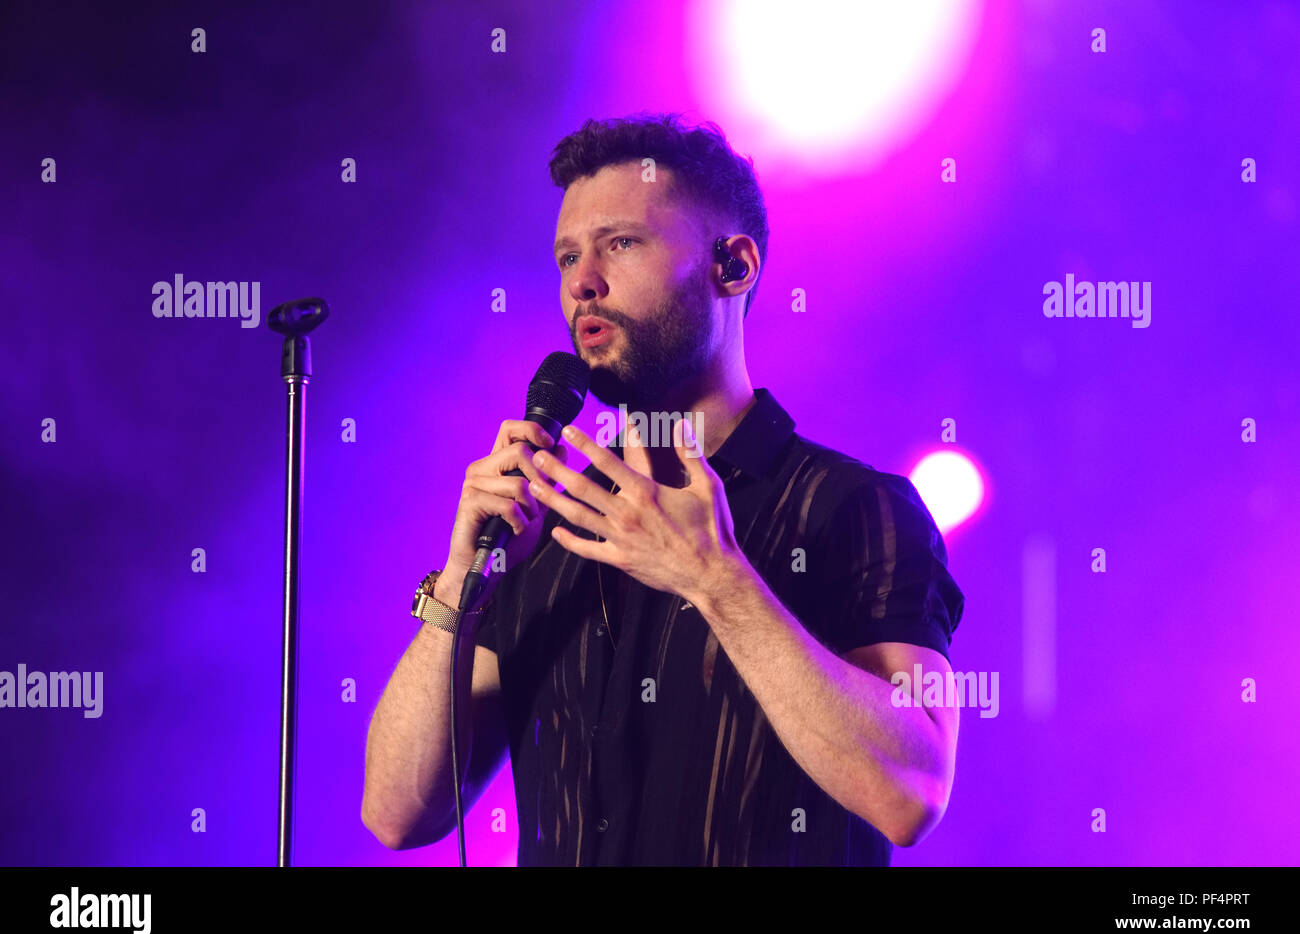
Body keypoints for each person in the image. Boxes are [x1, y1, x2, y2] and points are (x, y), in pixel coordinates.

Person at [362, 112, 965, 866]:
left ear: (732, 266)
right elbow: (394, 813)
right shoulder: (544, 531)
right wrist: (461, 582)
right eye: (566, 255)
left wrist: (715, 578)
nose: (582, 281)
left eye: (621, 243)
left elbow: (910, 790)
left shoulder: (855, 506)